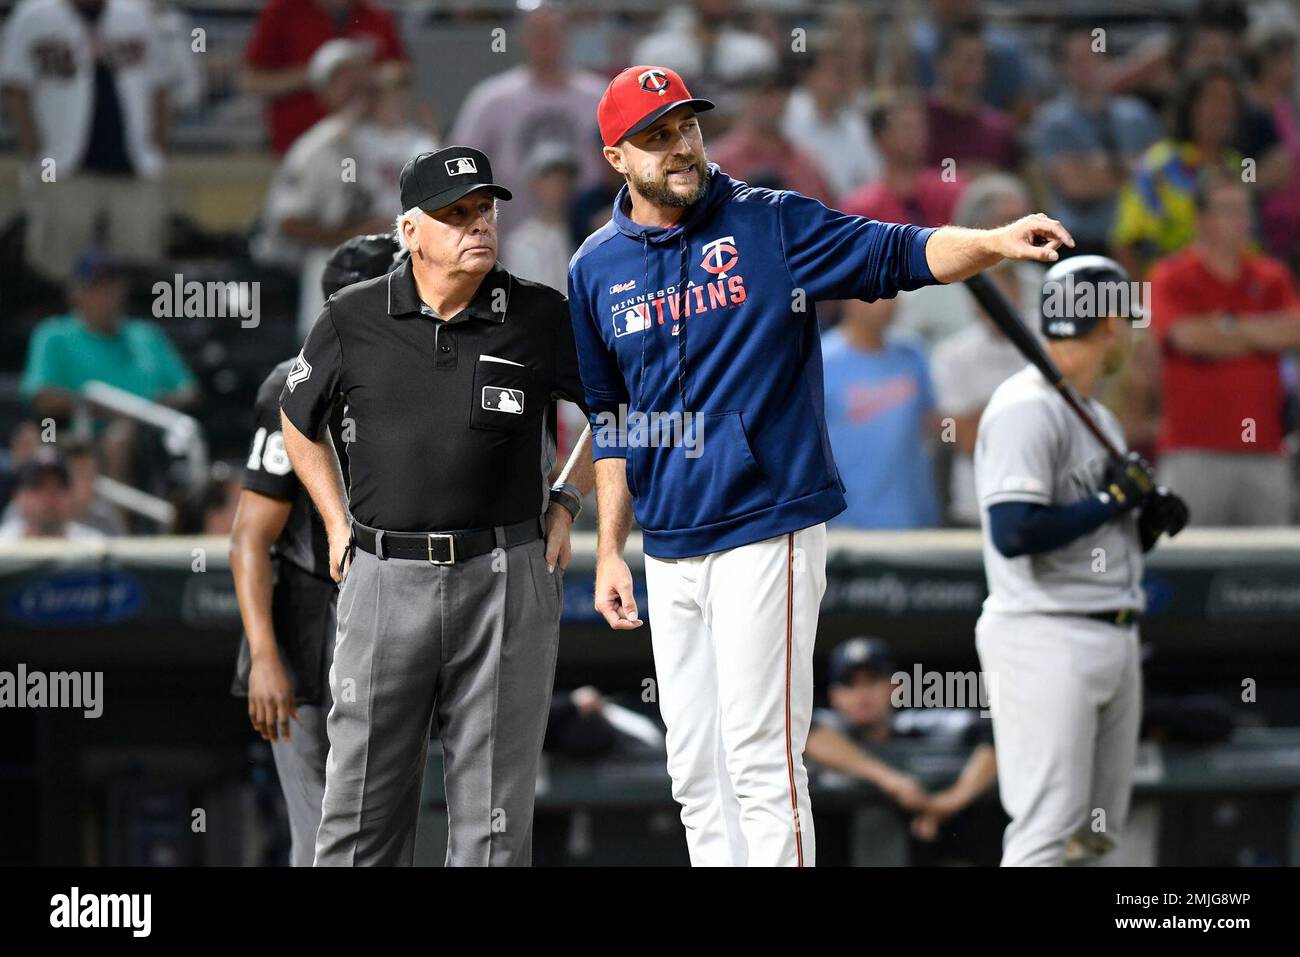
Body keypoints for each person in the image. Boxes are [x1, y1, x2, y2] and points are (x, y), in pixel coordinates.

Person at [568, 64, 1076, 867]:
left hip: (768, 523)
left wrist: (991, 241)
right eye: (657, 137)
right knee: (695, 772)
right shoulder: (595, 266)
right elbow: (612, 417)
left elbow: (898, 252)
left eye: (688, 127)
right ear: (616, 157)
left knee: (761, 761)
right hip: (666, 543)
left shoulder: (768, 224)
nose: (680, 147)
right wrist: (607, 551)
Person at [279, 146, 594, 867]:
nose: (478, 225)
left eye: (485, 210)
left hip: (507, 569)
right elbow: (298, 423)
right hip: (385, 574)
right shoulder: (352, 316)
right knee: (360, 810)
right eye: (456, 215)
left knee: (494, 821)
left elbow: (618, 412)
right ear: (410, 230)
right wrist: (333, 520)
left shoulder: (539, 313)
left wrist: (568, 501)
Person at [973, 255, 1188, 866]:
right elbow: (1013, 530)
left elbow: (1103, 537)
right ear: (1110, 326)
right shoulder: (1025, 407)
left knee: (1091, 838)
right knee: (1046, 829)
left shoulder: (1100, 419)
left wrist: (1143, 516)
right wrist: (1107, 501)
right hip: (1045, 634)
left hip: (1113, 629)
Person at [230, 233, 399, 867]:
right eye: (397, 280)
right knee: (320, 837)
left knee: (378, 832)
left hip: (383, 616)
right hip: (303, 622)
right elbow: (250, 536)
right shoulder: (291, 385)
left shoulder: (421, 368)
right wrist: (266, 658)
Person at [1147, 176, 1300, 525]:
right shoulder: (1170, 276)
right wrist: (1260, 332)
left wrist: (1226, 326)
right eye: (1229, 211)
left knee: (1269, 573)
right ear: (1202, 219)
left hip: (1265, 452)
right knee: (1188, 567)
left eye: (1246, 211)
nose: (1242, 221)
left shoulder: (1271, 275)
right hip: (1193, 453)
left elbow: (1293, 331)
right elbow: (1188, 338)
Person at [0, 0, 174, 281]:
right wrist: (36, 154)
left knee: (139, 273)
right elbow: (16, 88)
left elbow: (160, 87)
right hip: (62, 167)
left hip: (134, 168)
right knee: (55, 274)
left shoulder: (136, 14)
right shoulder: (34, 15)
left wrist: (156, 151)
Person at [252, 39, 393, 336]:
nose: (359, 82)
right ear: (325, 90)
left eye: (362, 72)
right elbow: (287, 221)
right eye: (345, 76)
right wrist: (350, 235)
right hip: (330, 268)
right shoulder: (316, 148)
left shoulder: (395, 137)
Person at [806, 637, 997, 843]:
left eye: (872, 680)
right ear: (834, 695)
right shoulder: (830, 727)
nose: (862, 694)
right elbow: (804, 733)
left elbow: (994, 732)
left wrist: (949, 802)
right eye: (850, 684)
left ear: (895, 687)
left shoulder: (915, 726)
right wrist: (890, 780)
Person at [449, 3, 607, 240]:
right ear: (523, 37)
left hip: (589, 235)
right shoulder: (493, 98)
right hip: (510, 238)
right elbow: (458, 165)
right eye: (537, 32)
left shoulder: (598, 96)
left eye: (552, 32)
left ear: (567, 35)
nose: (545, 41)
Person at [1028, 26, 1160, 258]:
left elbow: (1159, 178)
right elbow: (1077, 188)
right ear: (1064, 68)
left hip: (1140, 239)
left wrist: (1098, 170)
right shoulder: (1053, 121)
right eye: (1078, 60)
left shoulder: (1138, 115)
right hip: (1081, 241)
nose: (1088, 67)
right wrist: (1131, 170)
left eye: (1094, 57)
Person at [20, 250, 197, 422]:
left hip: (149, 438)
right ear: (76, 294)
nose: (106, 297)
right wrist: (92, 407)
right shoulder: (54, 335)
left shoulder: (146, 335)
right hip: (80, 440)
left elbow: (189, 391)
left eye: (111, 287)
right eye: (96, 288)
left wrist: (150, 410)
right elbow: (43, 399)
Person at [1110, 65, 1244, 278]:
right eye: (1213, 100)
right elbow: (1126, 243)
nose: (1223, 110)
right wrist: (1144, 300)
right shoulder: (1158, 166)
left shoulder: (1237, 165)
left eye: (1230, 101)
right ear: (1190, 107)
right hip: (1171, 291)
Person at [822, 296, 941, 530]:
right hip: (850, 529)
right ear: (849, 298)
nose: (889, 302)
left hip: (916, 521)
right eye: (879, 294)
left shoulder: (912, 354)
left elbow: (932, 425)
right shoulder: (822, 360)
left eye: (893, 293)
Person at [240, 0, 407, 155]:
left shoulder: (375, 15)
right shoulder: (283, 10)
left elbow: (402, 72)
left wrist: (368, 77)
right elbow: (250, 80)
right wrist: (315, 74)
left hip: (367, 146)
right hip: (296, 143)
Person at [839, 92, 964, 230]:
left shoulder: (951, 191)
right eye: (907, 127)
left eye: (920, 127)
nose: (917, 135)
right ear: (881, 138)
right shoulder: (860, 209)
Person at [708, 67, 832, 204]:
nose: (769, 103)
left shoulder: (804, 164)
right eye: (762, 94)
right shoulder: (720, 161)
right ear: (746, 99)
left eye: (776, 95)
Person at [780, 39, 881, 200]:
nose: (841, 81)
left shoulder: (855, 124)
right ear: (809, 76)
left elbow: (873, 178)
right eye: (834, 72)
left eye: (844, 73)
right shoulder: (786, 115)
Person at [924, 20, 1018, 178]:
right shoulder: (919, 118)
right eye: (962, 58)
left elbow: (1010, 181)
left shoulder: (999, 129)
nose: (968, 67)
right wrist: (959, 175)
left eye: (976, 60)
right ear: (940, 61)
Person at [502, 142, 579, 293]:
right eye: (551, 177)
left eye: (565, 177)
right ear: (535, 183)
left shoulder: (584, 233)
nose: (560, 184)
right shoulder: (520, 242)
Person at [0, 448, 106, 541]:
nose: (50, 496)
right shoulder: (4, 545)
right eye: (38, 486)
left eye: (60, 487)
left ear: (71, 494)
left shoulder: (95, 548)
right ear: (18, 495)